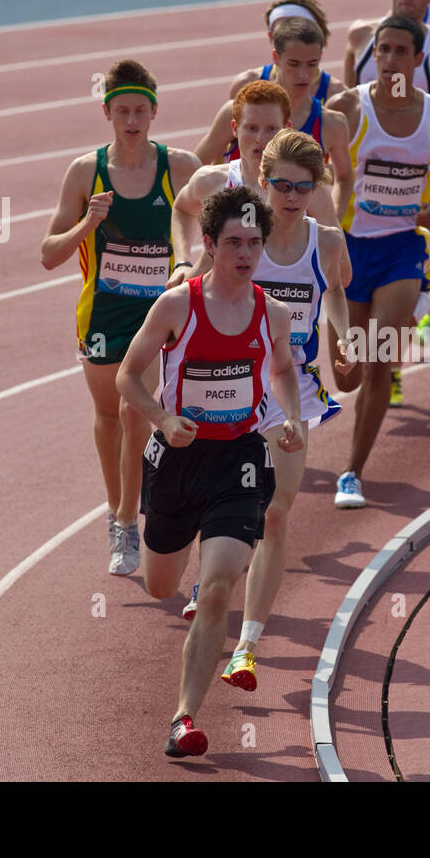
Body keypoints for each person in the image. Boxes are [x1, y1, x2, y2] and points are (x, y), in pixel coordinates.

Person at [116, 185, 304, 758]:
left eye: (253, 243)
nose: (244, 253)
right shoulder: (177, 305)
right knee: (162, 585)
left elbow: (283, 370)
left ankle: (184, 719)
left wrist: (289, 417)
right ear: (208, 243)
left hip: (237, 459)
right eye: (232, 243)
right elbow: (127, 377)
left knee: (219, 588)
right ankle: (173, 564)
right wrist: (162, 419)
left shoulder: (270, 311)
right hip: (176, 458)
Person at [168, 130, 355, 686]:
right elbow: (203, 292)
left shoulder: (327, 242)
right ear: (263, 179)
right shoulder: (244, 238)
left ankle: (246, 645)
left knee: (274, 512)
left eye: (303, 186)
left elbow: (337, 297)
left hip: (288, 390)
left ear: (316, 186)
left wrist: (346, 343)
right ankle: (210, 578)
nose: (291, 196)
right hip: (226, 385)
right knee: (221, 500)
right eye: (280, 184)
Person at [40, 59, 200, 575]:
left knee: (137, 414)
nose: (132, 119)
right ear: (107, 111)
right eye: (122, 110)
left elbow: (212, 228)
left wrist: (187, 265)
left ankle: (131, 522)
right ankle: (119, 513)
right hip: (103, 313)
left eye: (141, 110)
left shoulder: (180, 168)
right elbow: (48, 253)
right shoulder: (87, 171)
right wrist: (89, 222)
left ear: (154, 111)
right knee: (110, 419)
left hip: (161, 312)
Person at [325, 14, 430, 508]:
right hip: (349, 252)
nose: (389, 59)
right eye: (381, 50)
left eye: (399, 51)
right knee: (346, 375)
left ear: (418, 59)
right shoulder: (346, 109)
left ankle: (352, 472)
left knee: (377, 363)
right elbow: (313, 173)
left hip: (403, 251)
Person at [195, 16, 353, 204]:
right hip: (241, 226)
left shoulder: (331, 123)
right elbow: (196, 165)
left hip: (292, 229)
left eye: (312, 64)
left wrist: (331, 219)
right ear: (276, 58)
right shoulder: (236, 111)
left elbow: (344, 178)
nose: (303, 74)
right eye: (294, 64)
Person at [174, 80, 342, 253]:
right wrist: (182, 261)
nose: (261, 138)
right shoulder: (211, 181)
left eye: (271, 128)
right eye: (251, 128)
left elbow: (341, 265)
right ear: (235, 128)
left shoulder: (307, 189)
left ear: (286, 128)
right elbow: (182, 209)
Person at [229, 0, 348, 104]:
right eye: (282, 32)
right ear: (271, 37)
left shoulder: (337, 94)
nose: (291, 35)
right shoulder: (245, 84)